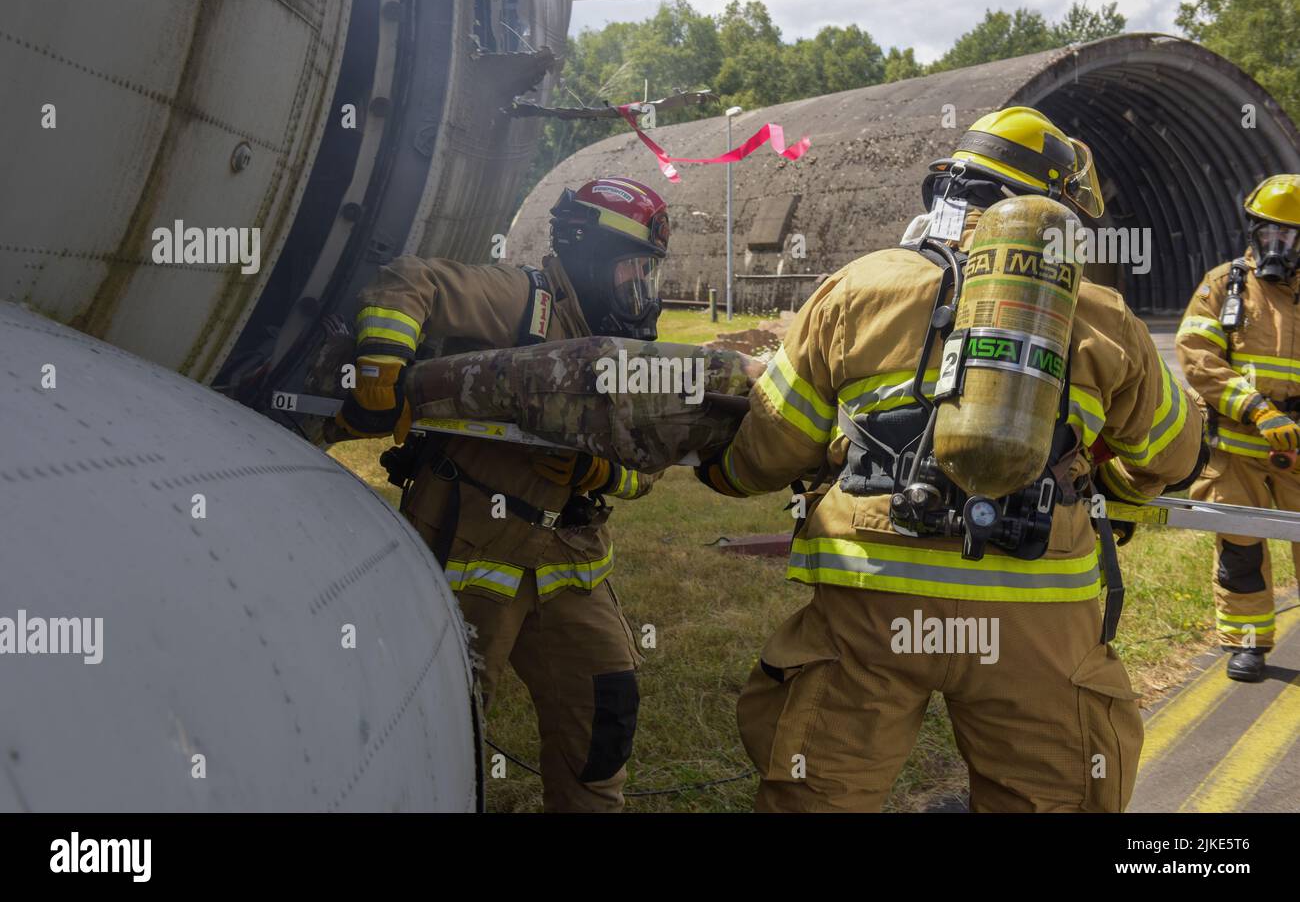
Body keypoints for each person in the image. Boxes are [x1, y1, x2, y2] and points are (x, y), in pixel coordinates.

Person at [696, 107, 1203, 811]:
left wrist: (720, 472)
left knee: (820, 795)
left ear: (946, 190)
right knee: (1049, 798)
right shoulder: (1102, 317)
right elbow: (1172, 454)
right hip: (1036, 613)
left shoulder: (858, 288)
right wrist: (1110, 489)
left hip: (873, 605)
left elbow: (773, 445)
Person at [334, 177, 670, 810]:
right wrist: (380, 366)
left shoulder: (622, 345)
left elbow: (646, 461)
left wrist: (595, 474)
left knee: (605, 715)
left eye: (645, 273)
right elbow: (409, 280)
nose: (639, 288)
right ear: (590, 257)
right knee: (438, 730)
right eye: (630, 269)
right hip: (473, 557)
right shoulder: (521, 302)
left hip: (571, 563)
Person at [1177, 174, 1300, 682]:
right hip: (1235, 450)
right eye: (1268, 232)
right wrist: (1257, 409)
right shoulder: (1223, 285)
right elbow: (1197, 356)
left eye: (1288, 235)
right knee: (1240, 552)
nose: (1277, 244)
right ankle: (1247, 645)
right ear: (1252, 231)